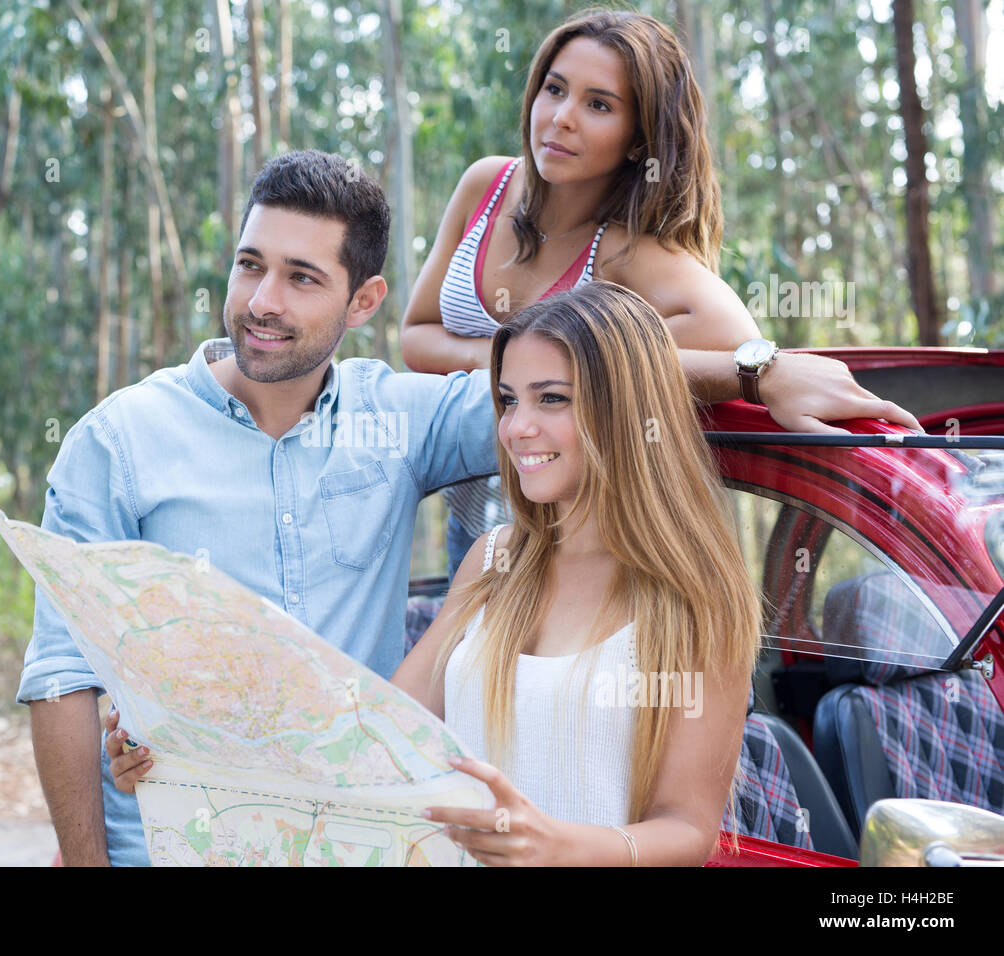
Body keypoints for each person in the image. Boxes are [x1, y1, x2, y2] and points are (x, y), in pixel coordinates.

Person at [109, 282, 762, 866]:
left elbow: (688, 830)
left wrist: (558, 846)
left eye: (552, 399)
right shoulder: (494, 563)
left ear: (625, 413)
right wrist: (180, 748)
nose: (516, 427)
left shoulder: (697, 602)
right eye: (508, 400)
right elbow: (367, 742)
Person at [21, 150, 499, 866]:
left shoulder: (400, 420)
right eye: (251, 265)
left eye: (302, 277)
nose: (262, 301)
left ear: (364, 301)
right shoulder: (120, 442)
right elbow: (62, 678)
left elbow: (562, 396)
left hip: (350, 847)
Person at [398, 9, 920, 578]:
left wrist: (761, 372)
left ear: (636, 140)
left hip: (566, 539)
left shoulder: (627, 254)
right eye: (555, 89)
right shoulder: (487, 184)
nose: (561, 118)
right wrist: (534, 361)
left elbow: (735, 340)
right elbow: (417, 336)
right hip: (469, 517)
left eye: (598, 105)